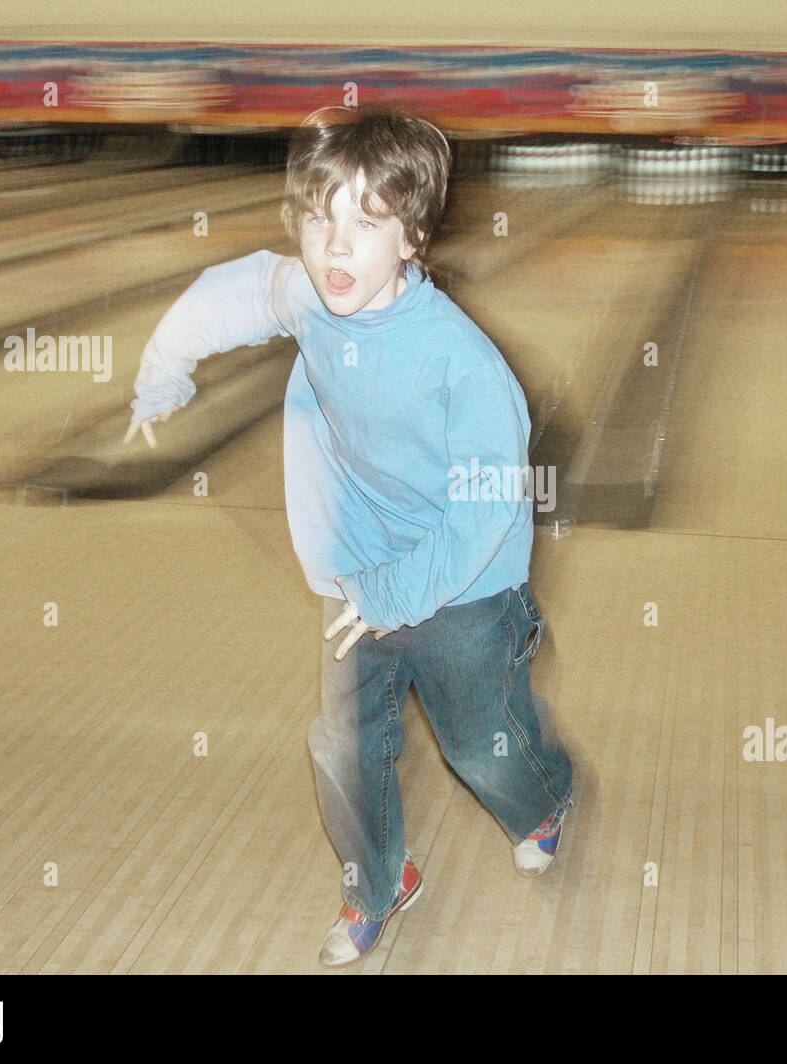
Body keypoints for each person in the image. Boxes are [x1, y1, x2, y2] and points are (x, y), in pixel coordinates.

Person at [124, 104, 574, 966]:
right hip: (358, 566)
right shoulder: (311, 291)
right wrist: (163, 371)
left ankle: (544, 800)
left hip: (466, 582)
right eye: (318, 218)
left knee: (483, 747)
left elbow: (483, 513)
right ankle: (377, 881)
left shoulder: (466, 365)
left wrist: (399, 595)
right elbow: (240, 292)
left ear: (411, 238)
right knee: (340, 743)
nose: (334, 247)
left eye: (364, 224)